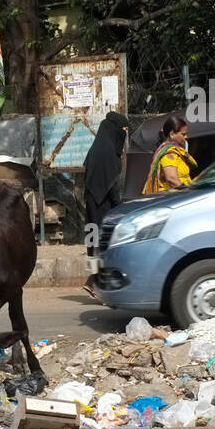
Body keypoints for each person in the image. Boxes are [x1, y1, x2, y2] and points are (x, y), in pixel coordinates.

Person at [82, 112, 128, 298]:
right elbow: (112, 187)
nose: (123, 136)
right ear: (114, 131)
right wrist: (121, 209)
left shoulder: (97, 149)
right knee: (109, 244)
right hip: (105, 206)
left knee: (99, 244)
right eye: (123, 131)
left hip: (94, 203)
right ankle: (98, 283)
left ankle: (94, 282)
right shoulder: (108, 153)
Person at [142, 114, 197, 194]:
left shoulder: (177, 151)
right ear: (172, 134)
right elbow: (172, 179)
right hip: (173, 197)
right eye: (183, 134)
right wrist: (187, 193)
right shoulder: (169, 154)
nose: (186, 137)